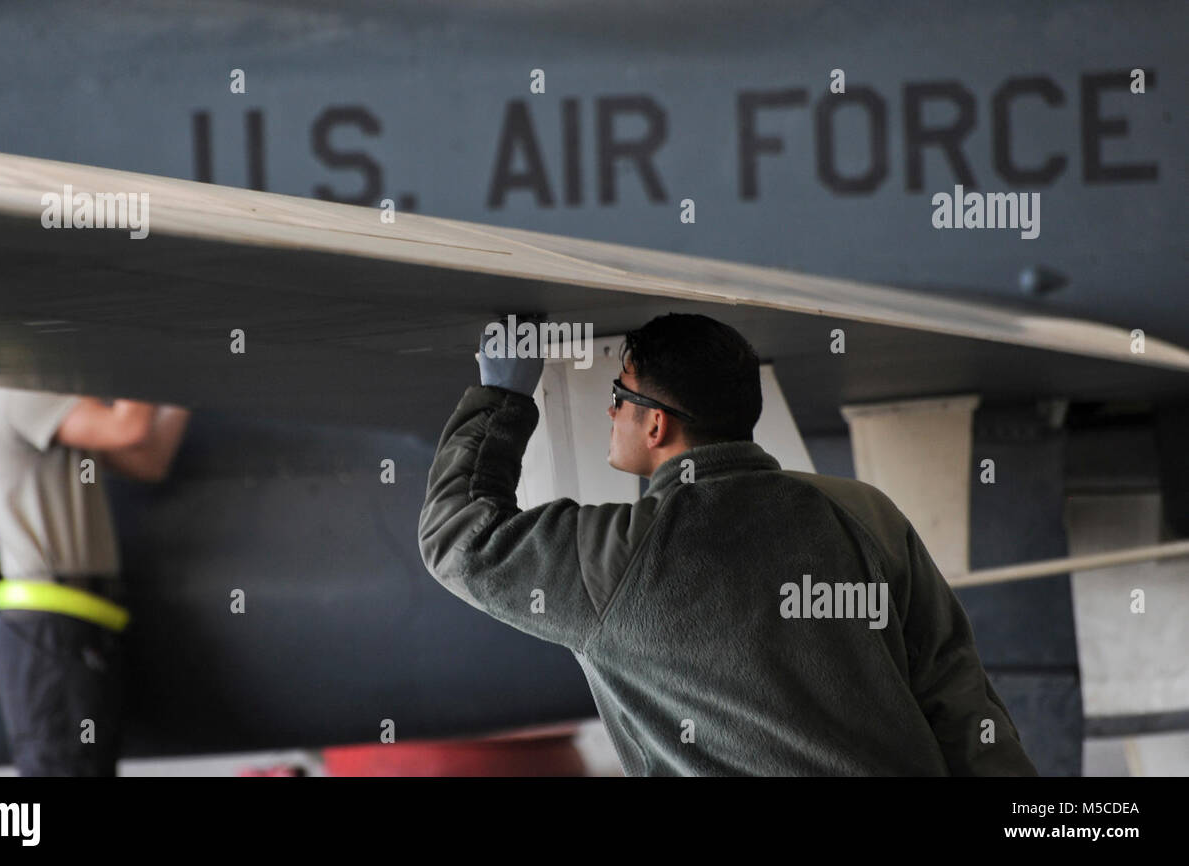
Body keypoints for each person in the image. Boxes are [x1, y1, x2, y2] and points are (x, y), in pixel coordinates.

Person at [418, 313, 1037, 776]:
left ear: (656, 423)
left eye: (618, 397)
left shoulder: (615, 558)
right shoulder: (863, 512)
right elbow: (958, 698)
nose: (610, 412)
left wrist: (502, 396)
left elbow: (458, 536)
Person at [0, 388, 190, 776]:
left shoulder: (53, 408)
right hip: (51, 635)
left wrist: (187, 379)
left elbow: (149, 459)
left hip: (66, 633)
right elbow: (130, 429)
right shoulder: (22, 392)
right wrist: (156, 341)